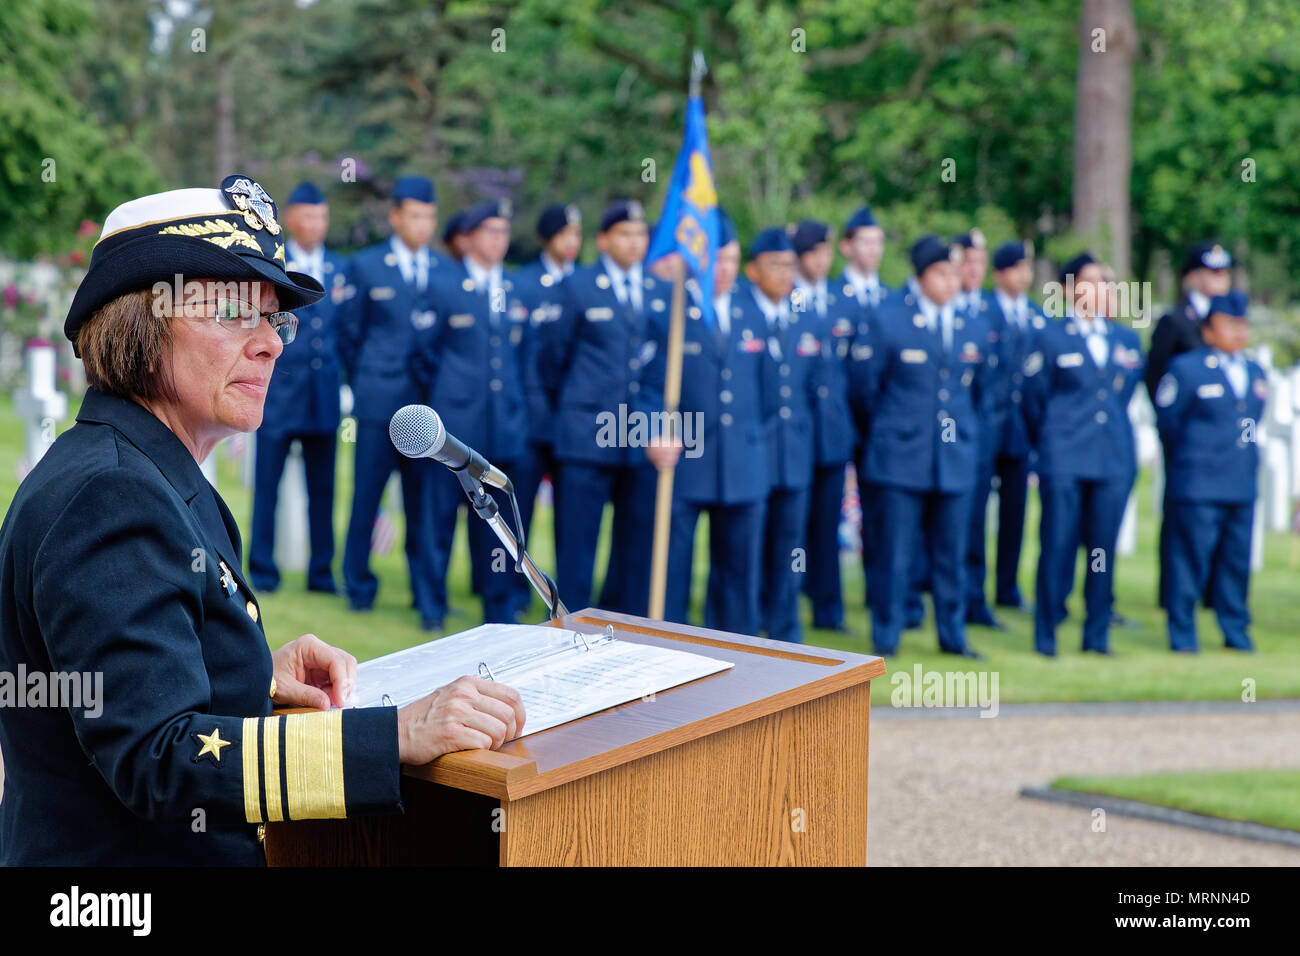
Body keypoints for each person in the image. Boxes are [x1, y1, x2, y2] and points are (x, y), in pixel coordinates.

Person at [0, 178, 525, 865]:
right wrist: (392, 734)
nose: (270, 344)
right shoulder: (113, 493)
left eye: (274, 320)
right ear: (138, 321)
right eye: (232, 312)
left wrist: (251, 679)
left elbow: (130, 691)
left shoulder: (145, 469)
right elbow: (158, 759)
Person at [850, 235, 989, 658]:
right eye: (942, 273)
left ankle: (952, 634)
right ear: (922, 276)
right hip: (899, 459)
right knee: (895, 553)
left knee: (951, 554)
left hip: (953, 459)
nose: (952, 282)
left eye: (955, 272)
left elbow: (979, 393)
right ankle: (887, 636)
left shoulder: (972, 325)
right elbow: (863, 392)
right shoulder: (888, 320)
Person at [539, 199, 674, 615]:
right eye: (624, 234)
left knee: (637, 547)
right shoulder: (576, 286)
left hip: (638, 439)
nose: (634, 243)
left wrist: (655, 425)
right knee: (578, 545)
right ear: (603, 240)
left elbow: (659, 370)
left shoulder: (658, 291)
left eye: (640, 235)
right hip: (584, 438)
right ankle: (572, 624)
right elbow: (549, 362)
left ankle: (629, 628)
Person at [1022, 252, 1144, 657]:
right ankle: (1047, 632)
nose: (1104, 289)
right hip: (1065, 457)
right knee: (1056, 544)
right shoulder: (1050, 336)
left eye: (1107, 282)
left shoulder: (1126, 340)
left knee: (1101, 550)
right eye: (1093, 282)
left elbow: (1123, 395)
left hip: (1111, 459)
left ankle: (1096, 634)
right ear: (1072, 290)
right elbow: (1035, 398)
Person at [336, 174, 444, 628]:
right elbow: (347, 333)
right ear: (396, 216)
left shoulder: (444, 271)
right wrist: (362, 384)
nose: (422, 225)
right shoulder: (366, 266)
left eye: (429, 217)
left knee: (423, 505)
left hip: (426, 413)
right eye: (414, 215)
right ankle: (358, 585)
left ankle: (426, 594)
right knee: (367, 496)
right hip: (379, 404)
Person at [413, 199, 528, 626]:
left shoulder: (514, 289)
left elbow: (526, 357)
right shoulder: (444, 285)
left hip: (501, 426)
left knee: (495, 527)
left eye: (504, 231)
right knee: (438, 520)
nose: (499, 239)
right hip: (454, 428)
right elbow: (422, 355)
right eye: (490, 231)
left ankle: (498, 606)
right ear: (470, 238)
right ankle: (431, 605)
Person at [664, 211, 767, 634]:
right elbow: (652, 386)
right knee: (674, 568)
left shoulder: (752, 311)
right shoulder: (671, 308)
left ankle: (735, 648)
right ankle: (669, 646)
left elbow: (766, 391)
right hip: (687, 460)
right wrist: (654, 429)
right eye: (717, 260)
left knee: (738, 572)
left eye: (732, 260)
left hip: (742, 462)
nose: (724, 270)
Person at [248, 181, 346, 594]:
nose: (316, 224)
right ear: (290, 219)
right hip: (281, 393)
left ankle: (321, 573)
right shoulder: (276, 265)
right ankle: (262, 570)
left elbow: (351, 333)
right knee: (266, 485)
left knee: (324, 488)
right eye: (308, 215)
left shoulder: (343, 269)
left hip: (324, 397)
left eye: (322, 216)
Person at [1154, 290, 1264, 653]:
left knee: (1235, 563)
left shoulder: (1254, 372)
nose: (1237, 332)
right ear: (1208, 331)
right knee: (1189, 562)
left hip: (1239, 483)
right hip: (1198, 483)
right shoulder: (1187, 369)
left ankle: (1235, 629)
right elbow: (1168, 422)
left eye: (1242, 324)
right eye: (1228, 324)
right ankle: (1182, 632)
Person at [737, 227, 820, 644]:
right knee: (749, 548)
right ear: (753, 270)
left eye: (791, 265)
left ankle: (785, 627)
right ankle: (747, 629)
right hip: (752, 452)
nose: (785, 273)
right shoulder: (739, 314)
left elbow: (813, 388)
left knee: (791, 548)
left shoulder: (805, 316)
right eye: (775, 264)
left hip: (794, 452)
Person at [1146, 240, 1234, 611]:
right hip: (1184, 437)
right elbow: (1156, 380)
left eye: (1223, 273)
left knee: (1221, 513)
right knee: (1181, 513)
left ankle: (1214, 591)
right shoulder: (1175, 321)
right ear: (1193, 277)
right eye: (1212, 273)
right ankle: (1175, 592)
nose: (1220, 280)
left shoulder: (1229, 319)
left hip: (1221, 438)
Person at [510, 202, 583, 617]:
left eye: (577, 235)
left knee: (569, 519)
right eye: (564, 234)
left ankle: (564, 596)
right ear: (547, 238)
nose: (572, 242)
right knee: (521, 515)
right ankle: (517, 592)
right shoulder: (524, 284)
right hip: (531, 418)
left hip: (569, 422)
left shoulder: (584, 284)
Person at [792, 219, 859, 632]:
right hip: (796, 434)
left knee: (827, 524)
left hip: (833, 433)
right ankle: (778, 605)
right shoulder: (786, 298)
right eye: (816, 251)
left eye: (827, 251)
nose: (823, 259)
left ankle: (828, 609)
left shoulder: (840, 301)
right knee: (788, 527)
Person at [984, 240, 1042, 612]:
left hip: (1021, 430)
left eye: (1028, 267)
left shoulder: (1036, 316)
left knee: (1015, 512)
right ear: (999, 273)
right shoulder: (982, 312)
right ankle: (972, 590)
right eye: (1017, 267)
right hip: (987, 429)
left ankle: (1007, 587)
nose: (1025, 275)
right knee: (974, 515)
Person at [837, 206, 890, 611]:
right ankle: (824, 598)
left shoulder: (891, 300)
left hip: (881, 427)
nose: (873, 250)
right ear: (847, 247)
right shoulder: (833, 297)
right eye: (865, 242)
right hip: (838, 422)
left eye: (878, 242)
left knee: (882, 514)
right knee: (825, 514)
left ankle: (881, 594)